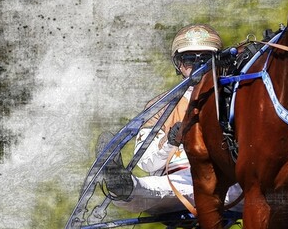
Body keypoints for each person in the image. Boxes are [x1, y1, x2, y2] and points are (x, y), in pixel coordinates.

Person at [100, 24, 242, 214]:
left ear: (219, 61)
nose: (199, 66)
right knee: (143, 190)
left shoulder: (234, 98)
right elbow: (146, 163)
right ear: (179, 64)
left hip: (224, 182)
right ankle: (121, 184)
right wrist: (171, 140)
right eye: (190, 59)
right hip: (175, 181)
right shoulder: (159, 105)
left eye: (207, 59)